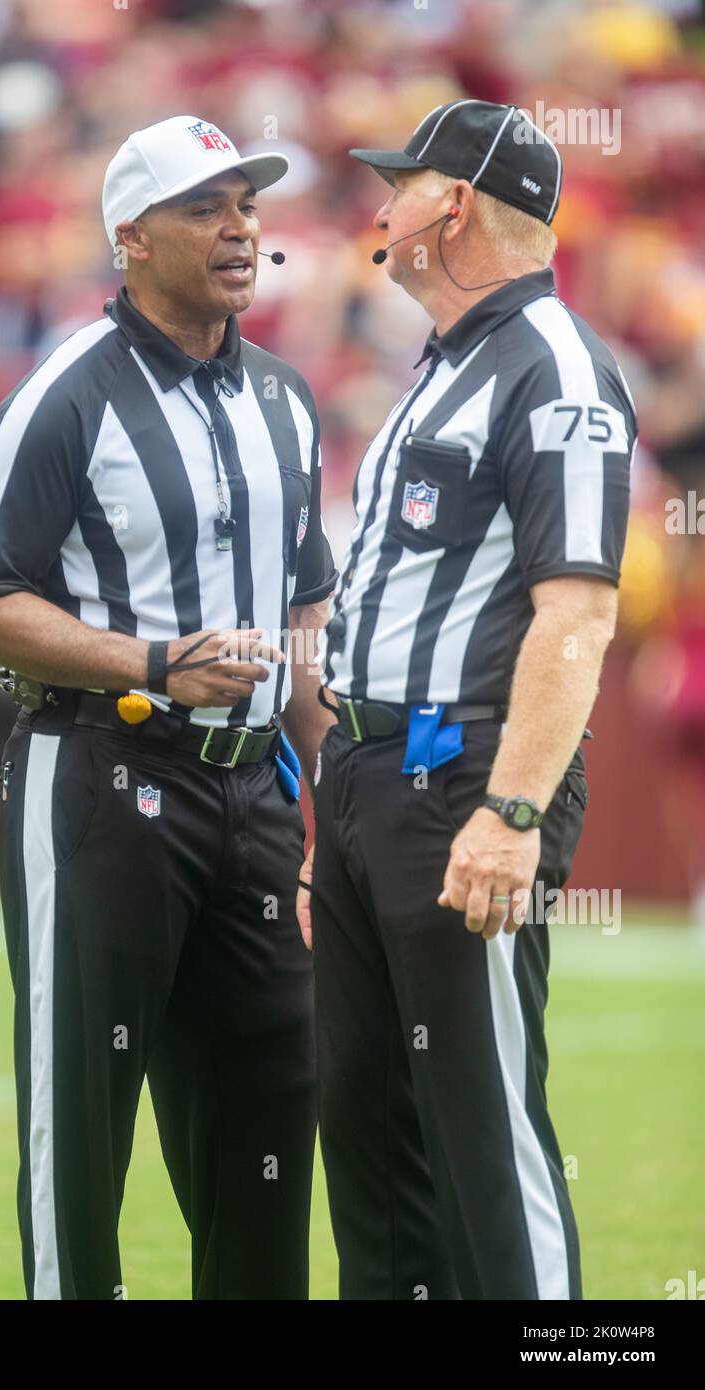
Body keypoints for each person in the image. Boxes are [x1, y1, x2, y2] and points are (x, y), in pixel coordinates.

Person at [0, 114, 337, 1300]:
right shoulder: (65, 391)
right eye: (205, 207)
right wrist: (148, 661)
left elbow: (304, 607)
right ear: (132, 236)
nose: (240, 228)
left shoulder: (284, 395)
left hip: (254, 789)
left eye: (249, 204)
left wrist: (334, 796)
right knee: (83, 1116)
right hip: (103, 777)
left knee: (275, 1104)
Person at [297, 99, 637, 1300]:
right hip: (367, 776)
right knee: (368, 1131)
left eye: (398, 183)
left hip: (459, 777)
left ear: (449, 202)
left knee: (483, 1130)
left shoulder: (549, 362)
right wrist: (327, 820)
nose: (377, 206)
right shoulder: (444, 366)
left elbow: (577, 611)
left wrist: (510, 807)